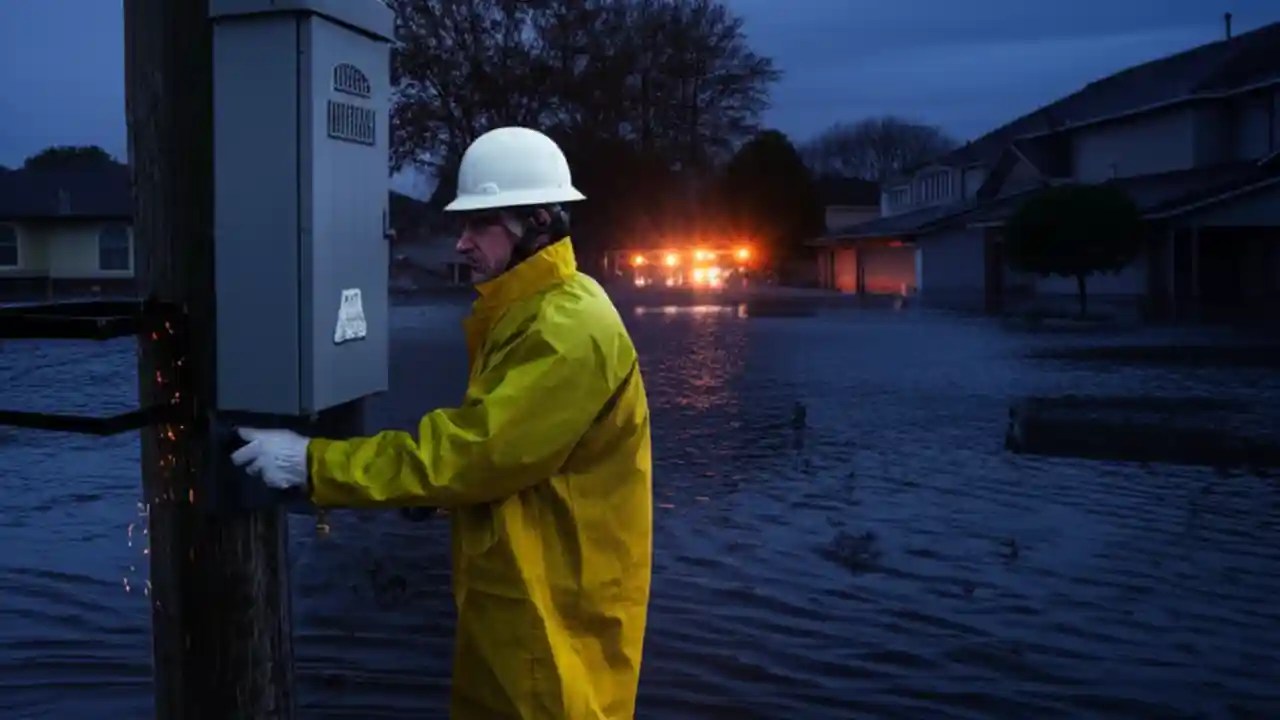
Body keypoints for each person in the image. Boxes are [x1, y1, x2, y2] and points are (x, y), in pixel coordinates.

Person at [231, 126, 653, 720]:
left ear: (535, 223)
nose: (460, 244)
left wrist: (311, 462)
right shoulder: (530, 312)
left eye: (479, 224)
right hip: (519, 608)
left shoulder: (566, 332)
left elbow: (469, 455)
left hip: (552, 630)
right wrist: (436, 496)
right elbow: (499, 449)